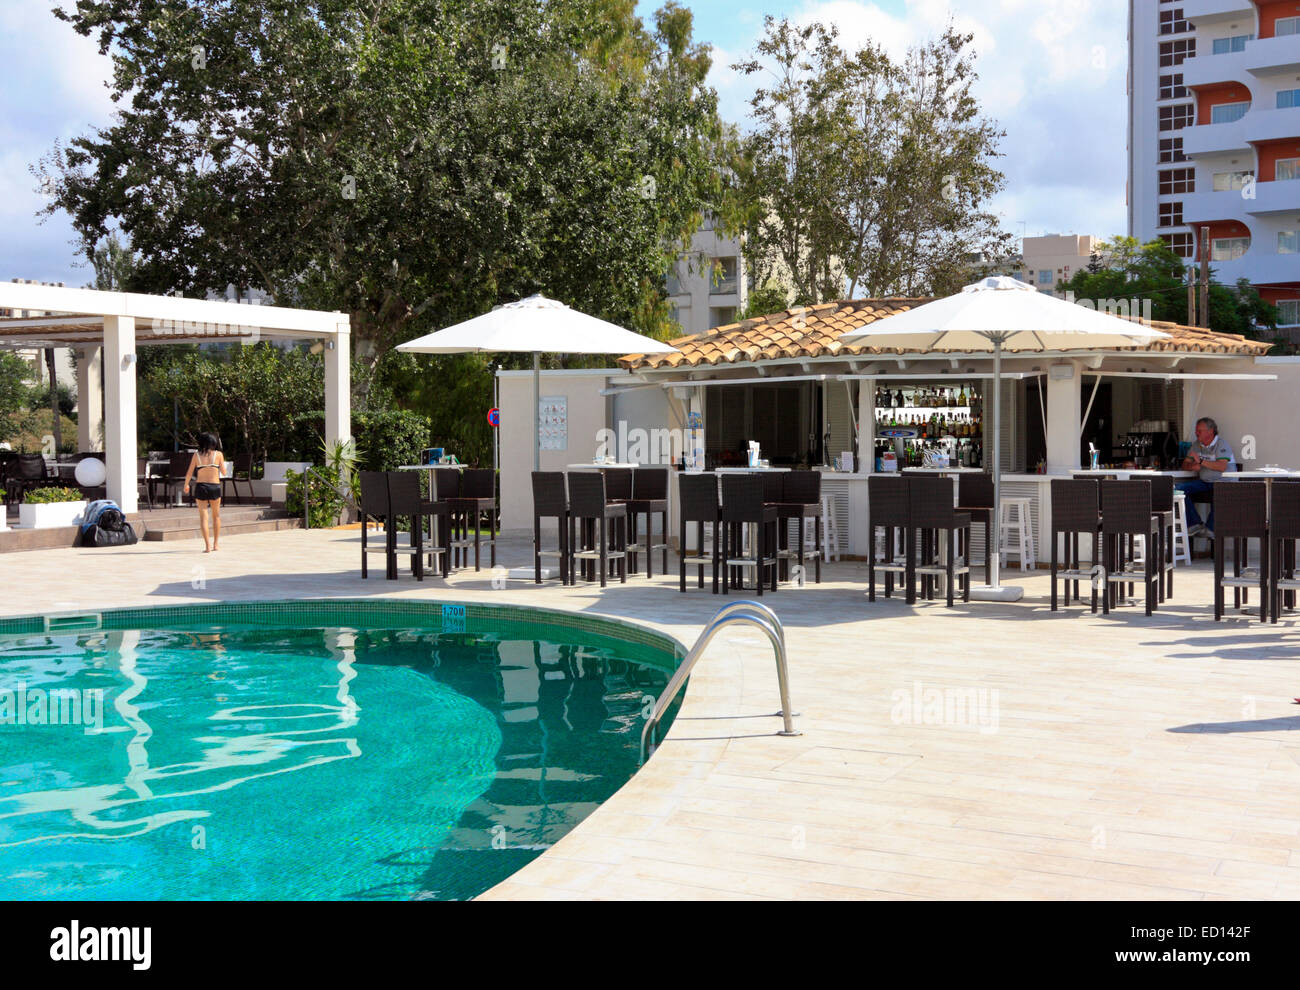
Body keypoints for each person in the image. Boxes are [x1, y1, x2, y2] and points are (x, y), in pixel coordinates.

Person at [1177, 417, 1234, 539]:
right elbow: (1184, 465)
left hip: (1223, 483)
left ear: (1210, 431)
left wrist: (1201, 461)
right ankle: (1195, 524)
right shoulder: (1196, 445)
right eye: (1196, 430)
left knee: (1218, 493)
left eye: (1199, 430)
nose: (1196, 433)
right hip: (1205, 482)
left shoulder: (1221, 444)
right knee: (1178, 490)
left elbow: (1222, 466)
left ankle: (1211, 529)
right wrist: (1192, 466)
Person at [183, 433, 227, 552]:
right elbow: (224, 472)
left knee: (203, 517)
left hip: (201, 486)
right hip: (214, 486)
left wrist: (186, 485)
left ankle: (207, 546)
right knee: (216, 516)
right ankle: (216, 544)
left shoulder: (196, 455)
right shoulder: (218, 454)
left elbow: (189, 472)